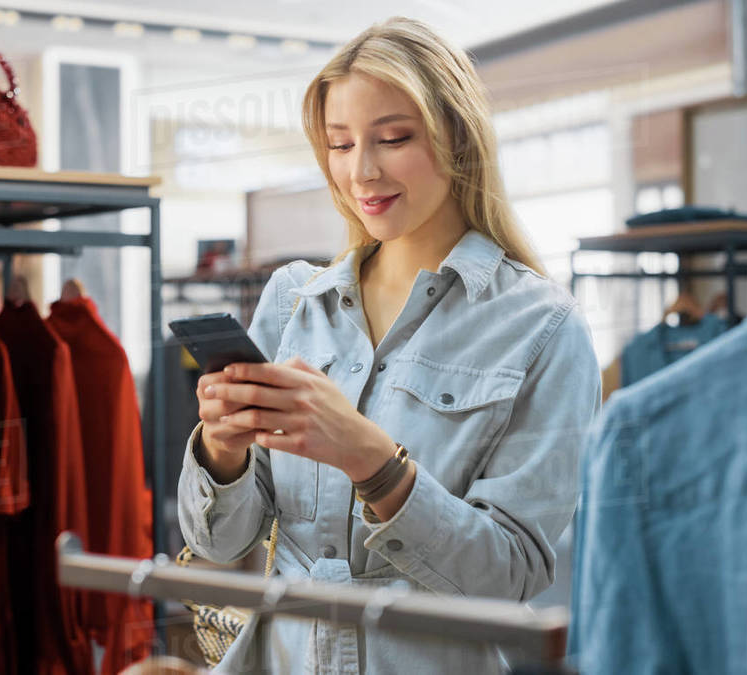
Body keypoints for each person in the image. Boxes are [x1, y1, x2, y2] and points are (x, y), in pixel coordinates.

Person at [177, 16, 602, 674]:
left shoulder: (543, 328)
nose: (362, 171)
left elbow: (510, 577)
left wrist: (375, 462)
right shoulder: (294, 302)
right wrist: (222, 450)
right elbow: (216, 540)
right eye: (340, 145)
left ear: (456, 136)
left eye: (393, 138)